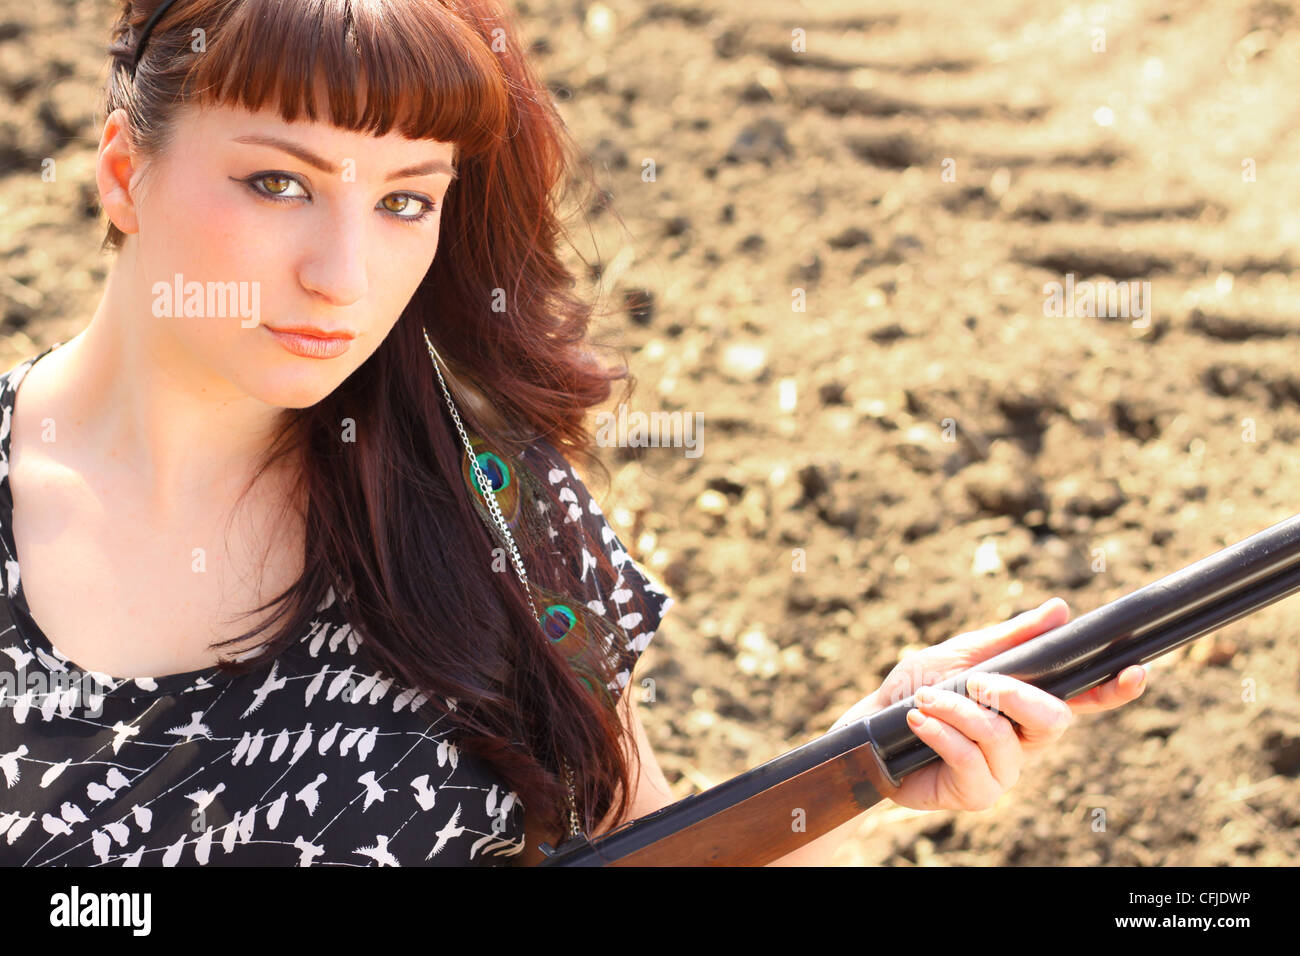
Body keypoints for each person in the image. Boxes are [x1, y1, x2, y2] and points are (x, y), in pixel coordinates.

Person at [0, 0, 1147, 868]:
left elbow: (636, 845)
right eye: (276, 182)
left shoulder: (496, 513)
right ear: (123, 173)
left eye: (405, 199)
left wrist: (866, 760)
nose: (342, 276)